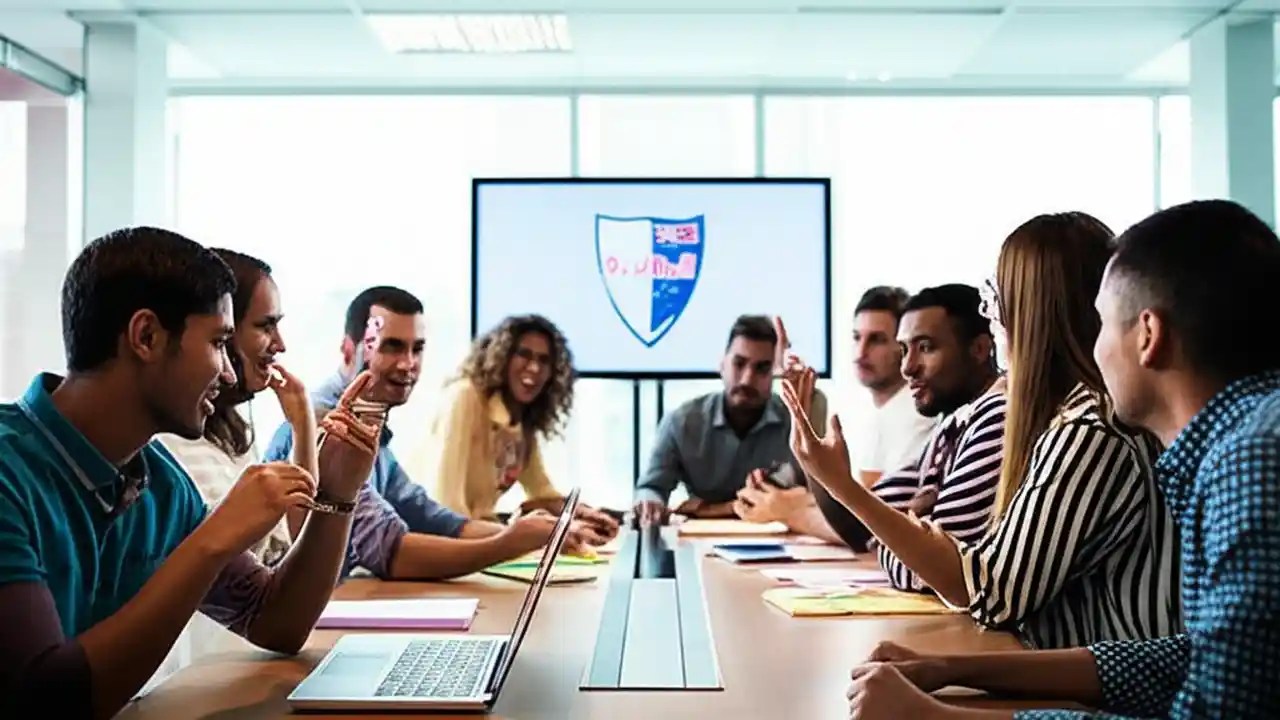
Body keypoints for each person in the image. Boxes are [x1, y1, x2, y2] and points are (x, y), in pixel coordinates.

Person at [841, 200, 1280, 720]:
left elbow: (1213, 714)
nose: (1094, 350)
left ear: (1147, 335)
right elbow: (1190, 660)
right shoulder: (1229, 447)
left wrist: (939, 717)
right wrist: (952, 668)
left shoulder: (1248, 461)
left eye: (1101, 325)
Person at [0, 227, 378, 717]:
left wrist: (337, 495)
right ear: (146, 337)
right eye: (220, 342)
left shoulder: (158, 480)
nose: (227, 373)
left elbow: (277, 623)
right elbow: (46, 701)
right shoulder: (10, 473)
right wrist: (214, 537)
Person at [785, 213, 1182, 651]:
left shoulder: (1089, 430)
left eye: (994, 300)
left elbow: (988, 592)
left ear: (1028, 314)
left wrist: (847, 488)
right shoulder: (1068, 421)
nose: (990, 319)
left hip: (1100, 697)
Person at [264, 286, 586, 581]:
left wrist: (541, 533)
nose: (408, 364)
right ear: (349, 350)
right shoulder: (325, 425)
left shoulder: (371, 428)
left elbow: (437, 519)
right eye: (391, 347)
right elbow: (391, 552)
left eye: (416, 349)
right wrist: (508, 542)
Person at [733, 287, 937, 541]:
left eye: (877, 340)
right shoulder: (873, 412)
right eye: (856, 337)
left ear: (904, 347)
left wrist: (787, 511)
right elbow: (859, 503)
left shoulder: (915, 414)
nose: (861, 352)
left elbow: (870, 529)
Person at [160, 249, 309, 565]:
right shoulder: (170, 446)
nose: (280, 344)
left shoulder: (232, 432)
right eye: (265, 326)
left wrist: (303, 426)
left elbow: (283, 550)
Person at [423, 313, 619, 540]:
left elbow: (541, 491)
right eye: (524, 355)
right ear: (501, 358)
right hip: (438, 545)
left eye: (544, 361)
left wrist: (583, 514)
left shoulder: (521, 420)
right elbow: (447, 512)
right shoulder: (465, 397)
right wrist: (547, 533)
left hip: (474, 540)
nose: (534, 368)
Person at [631, 314, 826, 526]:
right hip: (702, 544)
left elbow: (820, 497)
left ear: (775, 373)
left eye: (762, 368)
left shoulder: (795, 419)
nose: (747, 379)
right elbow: (651, 488)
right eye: (739, 363)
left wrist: (704, 508)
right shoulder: (683, 422)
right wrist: (650, 504)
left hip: (786, 544)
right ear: (722, 364)